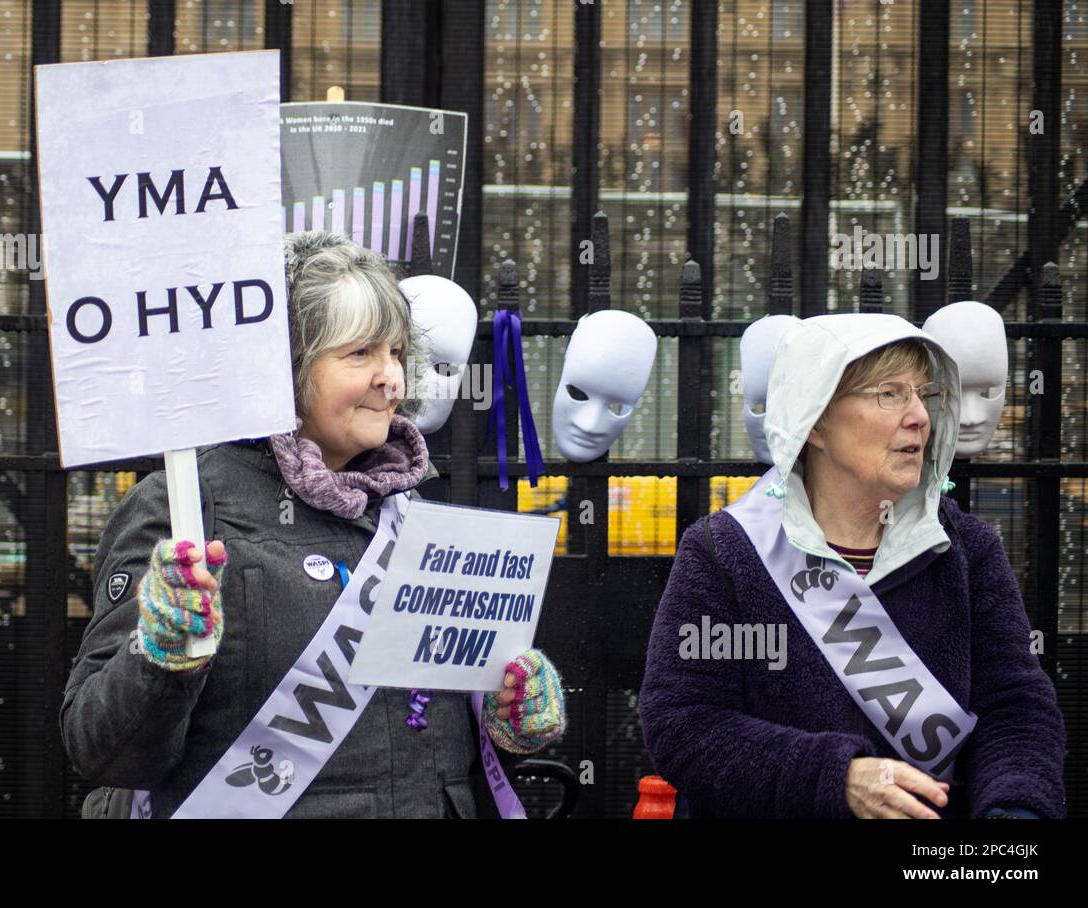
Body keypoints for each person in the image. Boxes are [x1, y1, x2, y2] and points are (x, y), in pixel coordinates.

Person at [62, 230, 567, 818]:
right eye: (360, 354)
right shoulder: (183, 506)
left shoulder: (414, 512)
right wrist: (158, 658)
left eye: (397, 353)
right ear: (285, 368)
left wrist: (507, 717)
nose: (392, 379)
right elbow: (99, 750)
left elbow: (430, 739)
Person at [639, 313, 1066, 819]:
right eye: (889, 393)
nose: (919, 417)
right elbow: (684, 724)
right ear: (815, 421)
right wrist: (836, 778)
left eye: (923, 395)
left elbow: (1015, 709)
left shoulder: (966, 550)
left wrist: (1013, 813)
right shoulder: (726, 552)